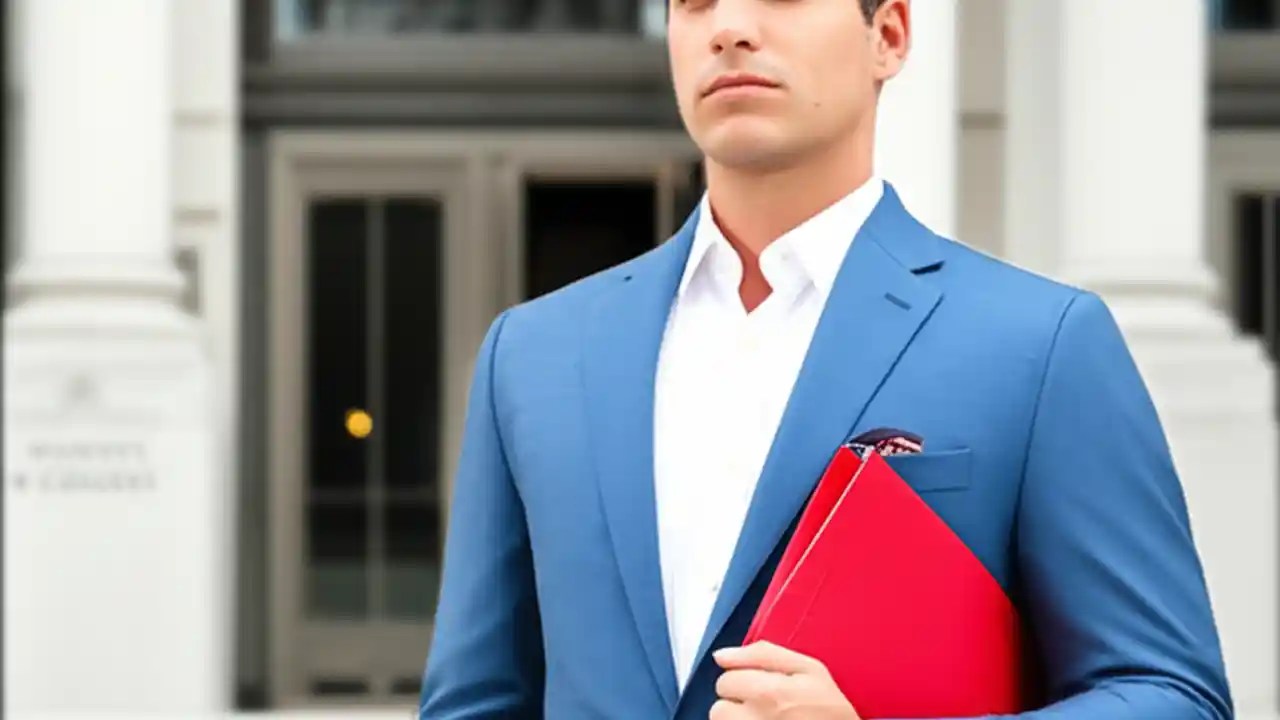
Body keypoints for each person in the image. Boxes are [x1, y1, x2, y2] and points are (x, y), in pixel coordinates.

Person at [418, 0, 1233, 717]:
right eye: (694, 2)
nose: (730, 28)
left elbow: (1170, 694)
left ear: (890, 34)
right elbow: (477, 702)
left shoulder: (1041, 342)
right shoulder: (533, 355)